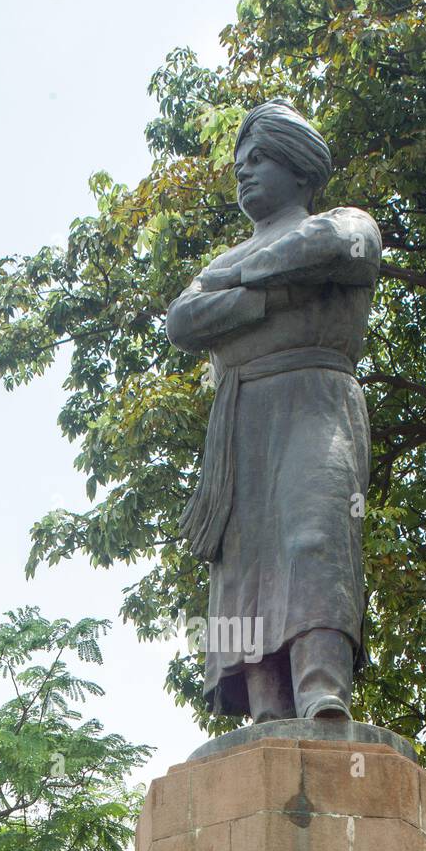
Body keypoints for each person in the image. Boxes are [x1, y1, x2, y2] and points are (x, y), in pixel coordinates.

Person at [166, 98, 381, 722]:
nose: (244, 172)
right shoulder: (220, 261)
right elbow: (184, 320)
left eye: (258, 159)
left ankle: (323, 691)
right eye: (239, 163)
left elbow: (338, 247)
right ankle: (266, 710)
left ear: (299, 169)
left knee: (315, 537)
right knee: (245, 571)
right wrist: (281, 291)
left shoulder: (347, 220)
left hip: (316, 399)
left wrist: (237, 285)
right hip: (240, 420)